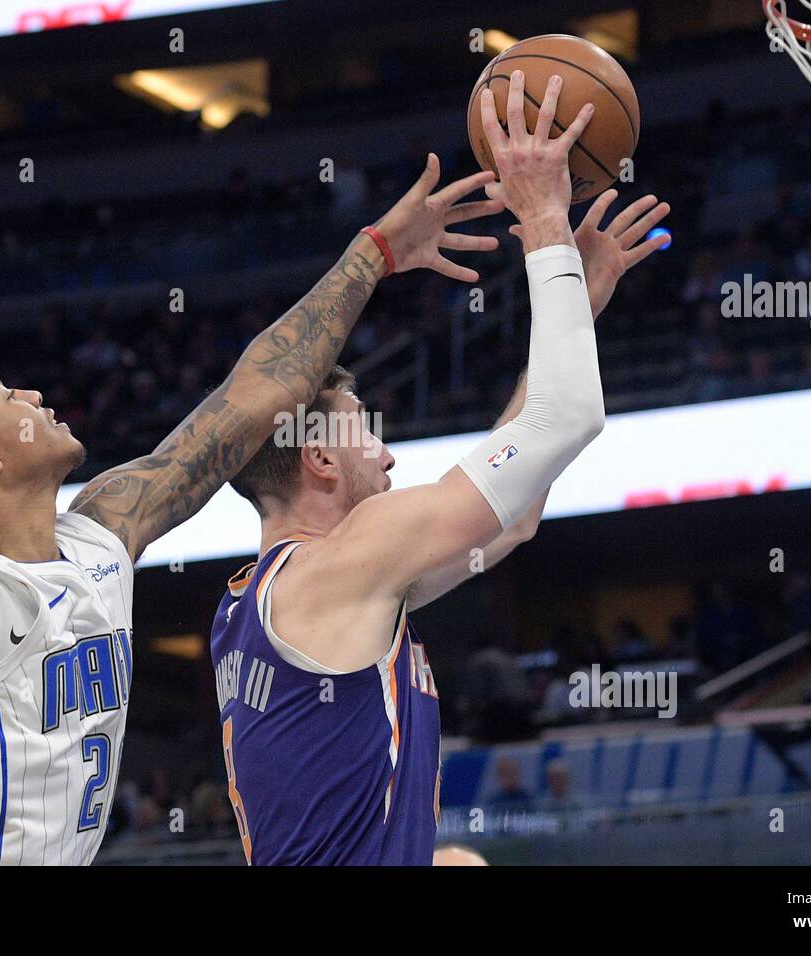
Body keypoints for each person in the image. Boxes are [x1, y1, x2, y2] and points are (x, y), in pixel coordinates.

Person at [0, 157, 504, 865]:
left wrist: (371, 254)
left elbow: (254, 399)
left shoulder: (105, 531)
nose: (28, 396)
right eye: (1, 395)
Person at [209, 71, 670, 864]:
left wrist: (579, 306)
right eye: (367, 434)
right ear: (318, 459)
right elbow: (566, 420)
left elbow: (516, 515)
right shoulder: (343, 563)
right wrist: (543, 218)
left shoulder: (280, 597)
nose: (387, 455)